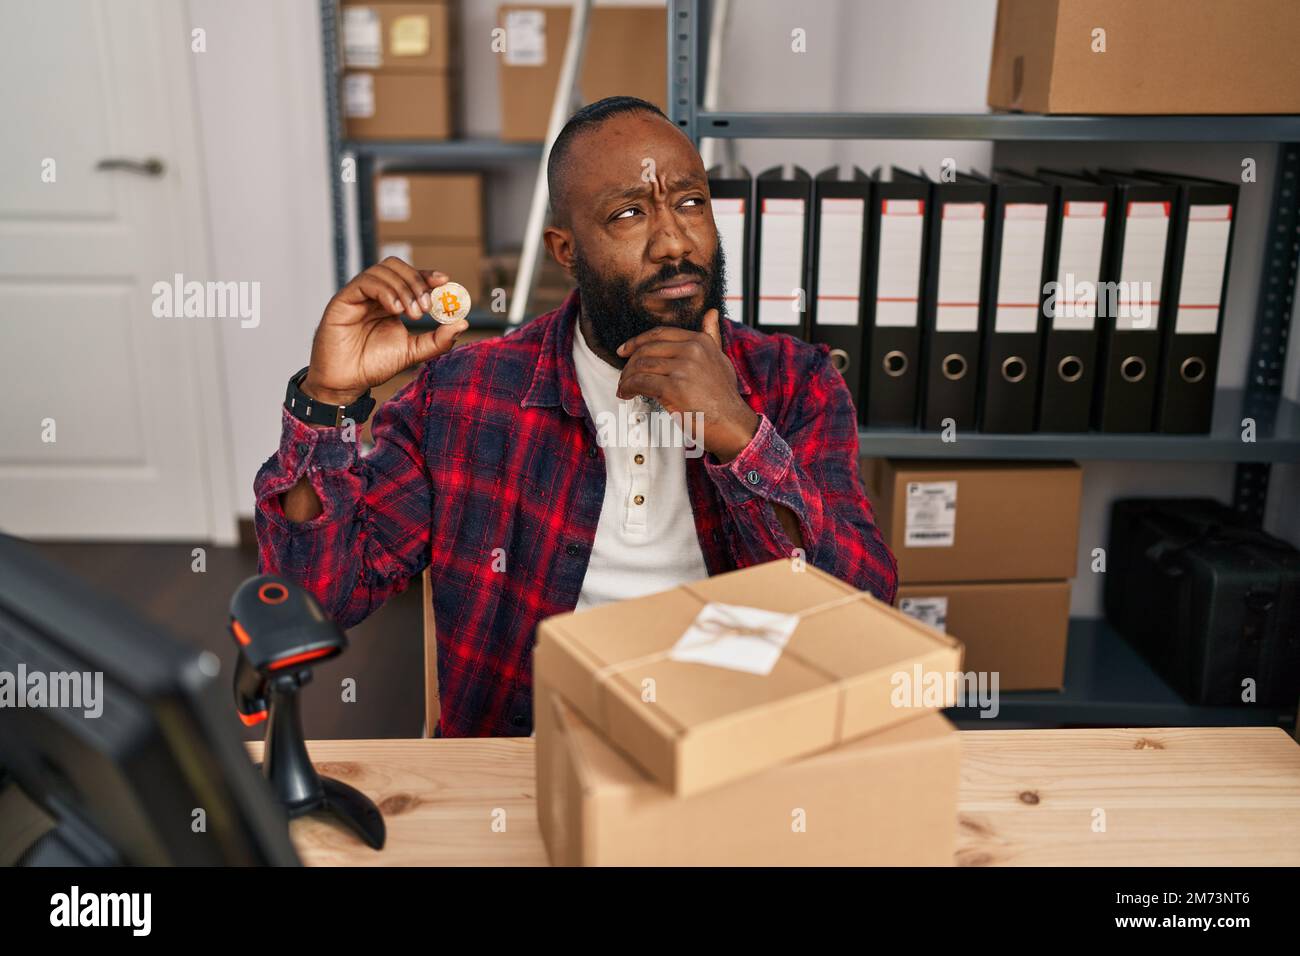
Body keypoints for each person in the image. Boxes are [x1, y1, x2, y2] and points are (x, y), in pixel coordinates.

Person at [255, 96, 897, 736]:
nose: (674, 242)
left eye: (692, 202)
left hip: (733, 750)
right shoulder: (466, 396)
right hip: (531, 763)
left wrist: (738, 436)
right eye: (628, 214)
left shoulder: (796, 382)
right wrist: (327, 398)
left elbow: (858, 615)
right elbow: (317, 598)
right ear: (566, 250)